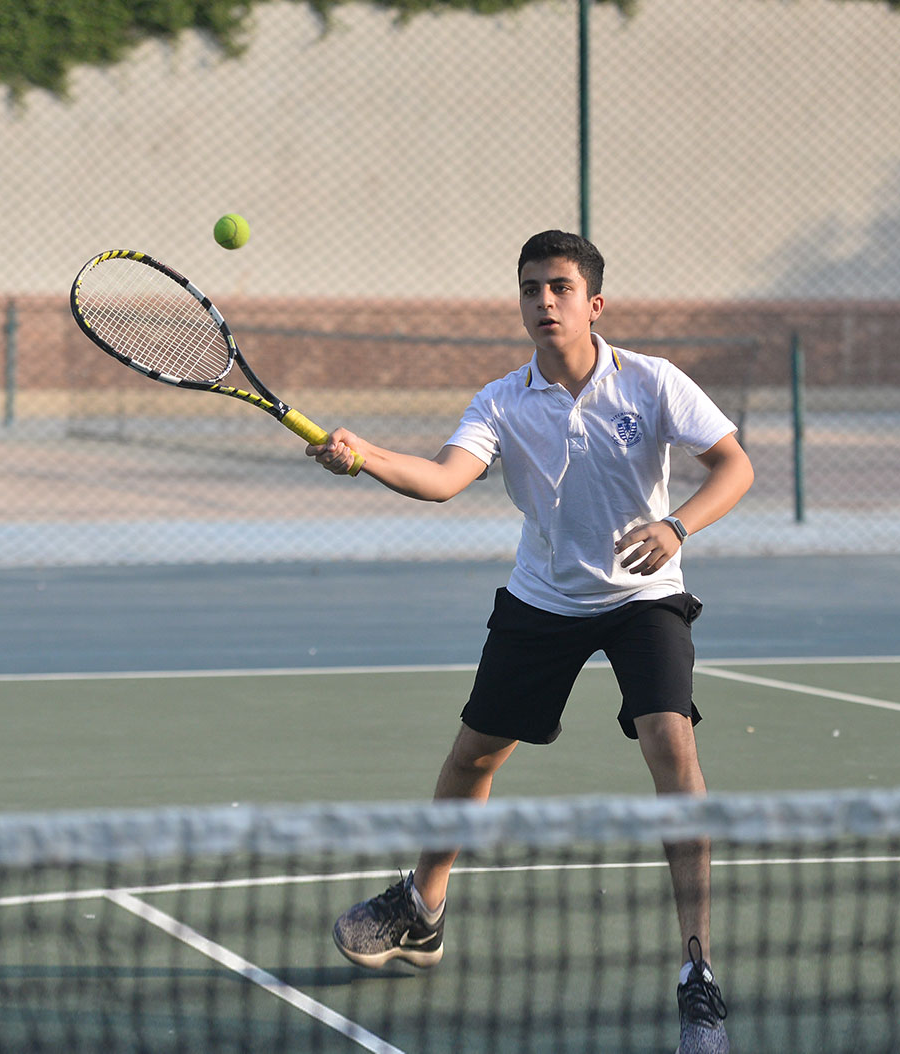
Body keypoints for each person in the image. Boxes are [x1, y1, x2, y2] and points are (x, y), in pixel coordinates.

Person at [308, 230, 752, 1053]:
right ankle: (423, 906)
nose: (543, 302)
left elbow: (734, 466)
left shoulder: (651, 381)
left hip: (643, 595)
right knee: (475, 756)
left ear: (594, 303)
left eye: (559, 287)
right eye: (529, 289)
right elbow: (444, 478)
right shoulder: (502, 401)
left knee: (670, 741)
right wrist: (364, 454)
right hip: (543, 598)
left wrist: (677, 526)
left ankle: (698, 973)